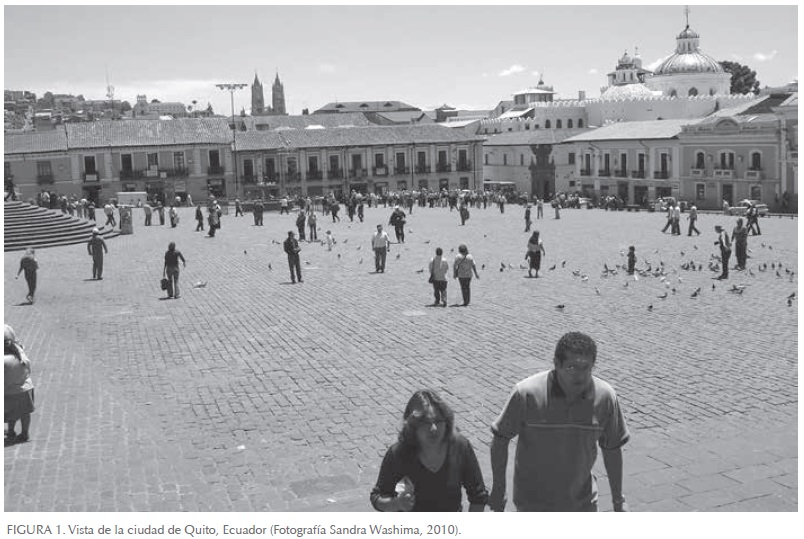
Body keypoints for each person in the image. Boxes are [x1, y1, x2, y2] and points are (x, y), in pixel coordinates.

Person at [490, 332, 629, 512]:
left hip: (583, 504)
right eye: (571, 368)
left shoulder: (605, 397)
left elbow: (612, 448)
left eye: (586, 367)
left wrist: (618, 500)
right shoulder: (526, 394)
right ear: (556, 364)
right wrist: (499, 488)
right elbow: (500, 438)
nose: (580, 376)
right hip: (532, 505)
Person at [370, 389, 488, 512]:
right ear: (412, 426)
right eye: (426, 422)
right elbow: (377, 497)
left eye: (438, 421)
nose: (433, 428)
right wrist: (396, 504)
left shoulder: (460, 446)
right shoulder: (398, 454)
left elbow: (478, 496)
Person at [5, 325, 35, 444]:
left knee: (10, 412)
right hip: (26, 388)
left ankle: (11, 431)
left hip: (9, 390)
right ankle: (25, 433)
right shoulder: (19, 354)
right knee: (25, 413)